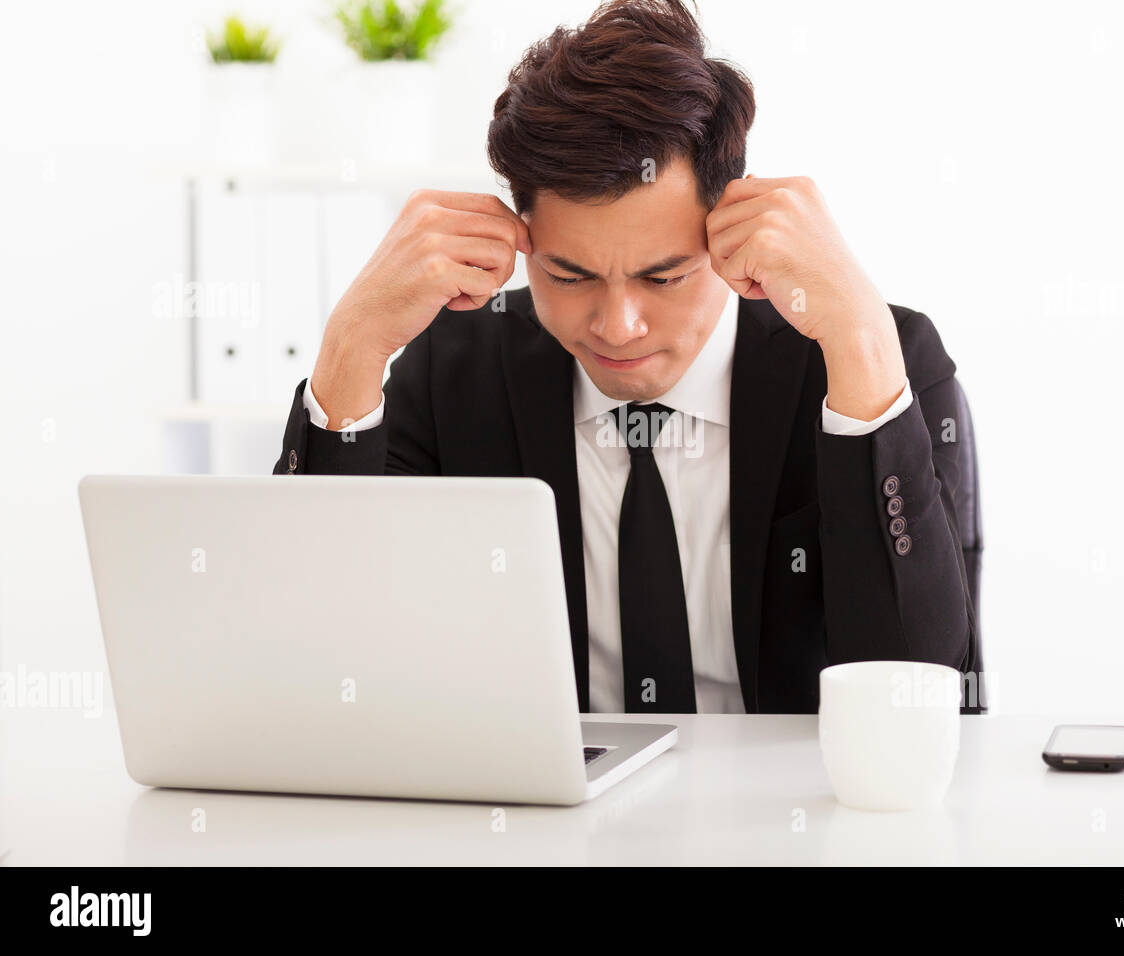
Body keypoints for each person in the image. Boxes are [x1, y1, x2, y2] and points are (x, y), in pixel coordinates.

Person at [274, 0, 978, 715]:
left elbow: (920, 689)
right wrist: (350, 346)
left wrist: (858, 340)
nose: (617, 326)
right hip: (545, 814)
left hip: (796, 815)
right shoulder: (455, 371)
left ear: (732, 233)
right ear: (522, 237)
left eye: (663, 276)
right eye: (569, 276)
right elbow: (321, 659)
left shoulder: (866, 358)